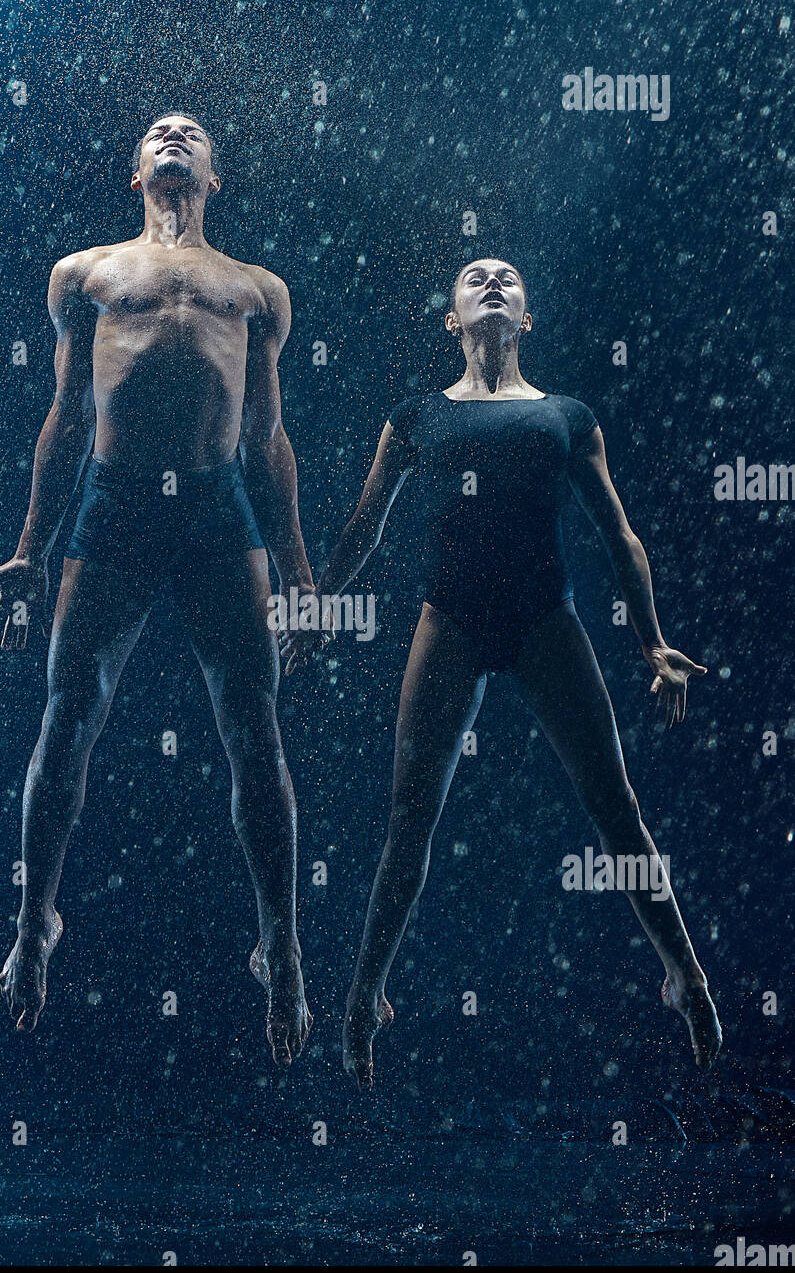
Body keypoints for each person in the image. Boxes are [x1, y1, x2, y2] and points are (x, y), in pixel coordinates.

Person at [286, 256, 721, 1088]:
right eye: (473, 278)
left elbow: (617, 533)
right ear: (451, 319)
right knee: (408, 819)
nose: (491, 282)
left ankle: (685, 977)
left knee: (616, 805)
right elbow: (362, 527)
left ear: (525, 318)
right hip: (446, 621)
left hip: (543, 623)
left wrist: (652, 641)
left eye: (508, 279)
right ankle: (363, 997)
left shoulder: (565, 415)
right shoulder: (416, 416)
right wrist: (316, 603)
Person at [0, 113, 315, 1066]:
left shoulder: (256, 289)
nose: (174, 134)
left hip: (216, 511)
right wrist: (31, 547)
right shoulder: (85, 274)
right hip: (112, 507)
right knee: (68, 713)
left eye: (193, 131)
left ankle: (279, 944)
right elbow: (65, 413)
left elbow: (267, 438)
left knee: (255, 727)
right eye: (159, 131)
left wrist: (298, 568)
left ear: (213, 174)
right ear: (135, 174)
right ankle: (37, 917)